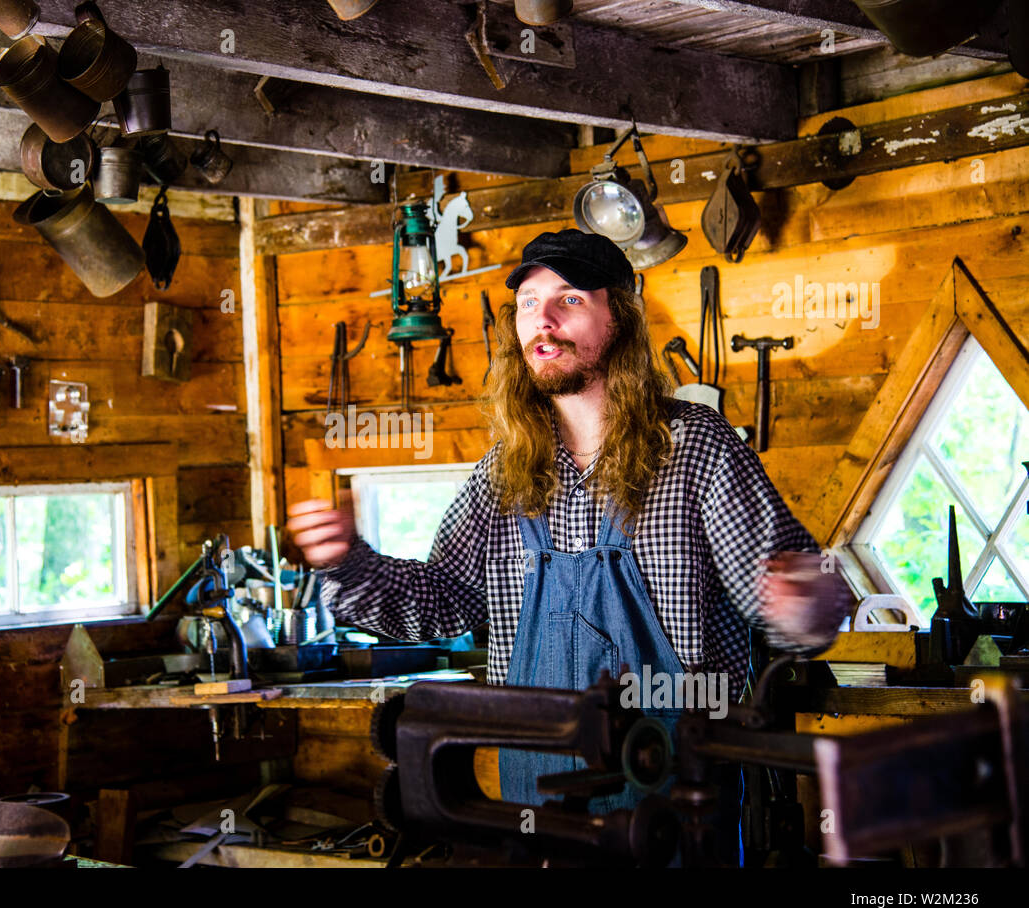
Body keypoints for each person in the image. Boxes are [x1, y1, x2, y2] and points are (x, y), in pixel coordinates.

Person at [286, 229, 852, 822]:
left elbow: (786, 608)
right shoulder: (503, 475)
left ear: (622, 321)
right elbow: (446, 603)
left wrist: (804, 603)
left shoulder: (695, 448)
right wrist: (347, 562)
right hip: (537, 791)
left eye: (571, 299)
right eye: (529, 303)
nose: (543, 319)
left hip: (676, 785)